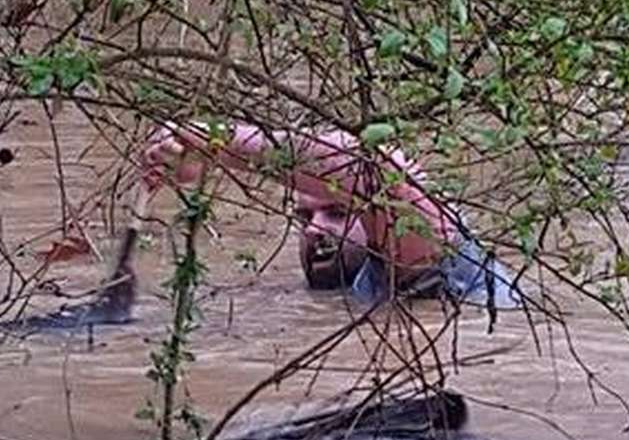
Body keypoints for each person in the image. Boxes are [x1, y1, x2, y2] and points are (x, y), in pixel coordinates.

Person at [141, 121, 522, 310]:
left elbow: (373, 168)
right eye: (304, 219)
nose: (315, 231)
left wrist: (216, 142)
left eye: (337, 213)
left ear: (373, 218)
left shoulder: (444, 261)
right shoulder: (353, 286)